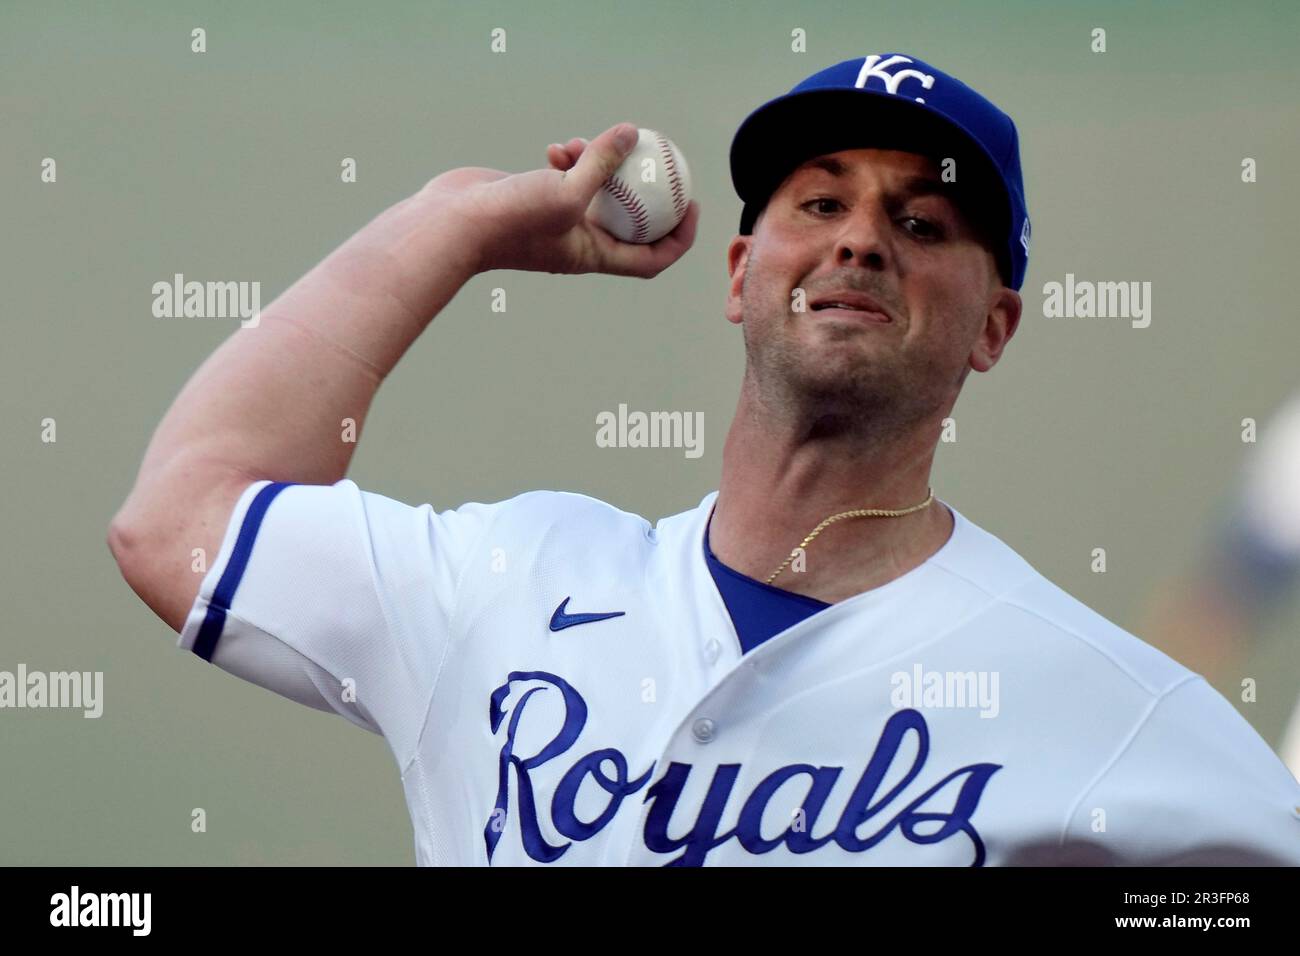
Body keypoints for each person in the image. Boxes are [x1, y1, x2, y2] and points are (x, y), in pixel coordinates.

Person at [109, 54, 1300, 866]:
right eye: (818, 202)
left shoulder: (1116, 713)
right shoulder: (506, 583)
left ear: (994, 325)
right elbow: (178, 517)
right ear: (741, 275)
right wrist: (455, 222)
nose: (860, 240)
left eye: (921, 221)